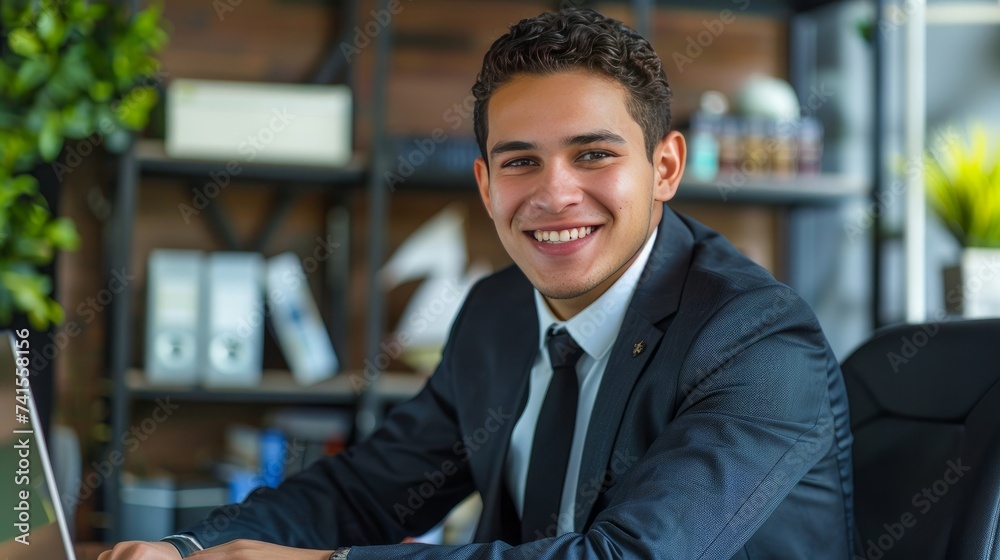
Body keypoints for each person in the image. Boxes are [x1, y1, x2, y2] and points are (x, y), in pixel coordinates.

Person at [101, 8, 854, 560]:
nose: (554, 194)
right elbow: (364, 493)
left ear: (665, 168)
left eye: (592, 155)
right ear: (486, 185)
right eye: (521, 161)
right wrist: (187, 549)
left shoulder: (756, 340)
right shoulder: (498, 312)